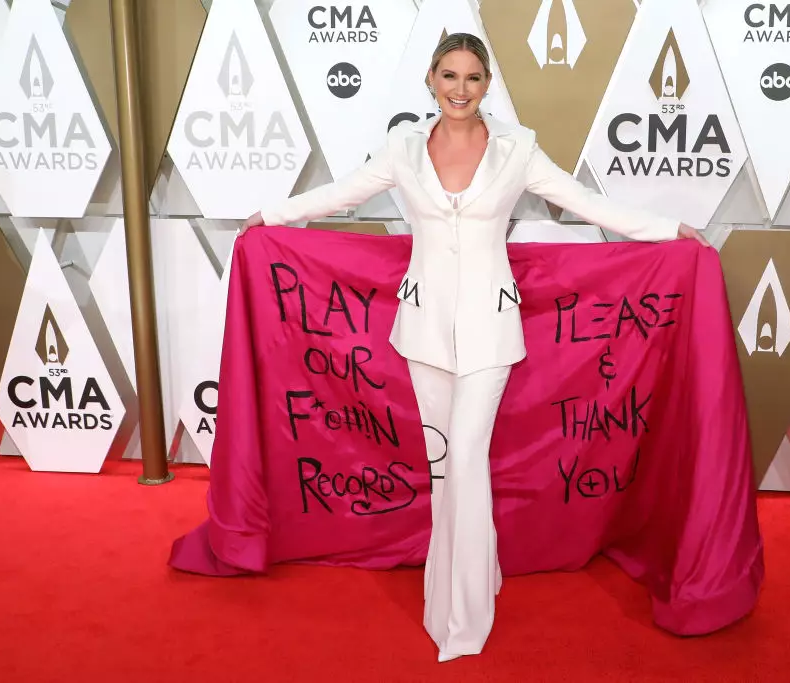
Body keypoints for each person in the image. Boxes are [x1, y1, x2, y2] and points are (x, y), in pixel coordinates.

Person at [242, 32, 707, 663]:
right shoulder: (402, 149)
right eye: (449, 76)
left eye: (473, 78)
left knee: (464, 456)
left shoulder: (518, 150)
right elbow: (340, 193)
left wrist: (667, 230)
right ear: (431, 81)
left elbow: (585, 202)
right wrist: (270, 216)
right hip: (423, 332)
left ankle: (466, 616)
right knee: (443, 469)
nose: (460, 89)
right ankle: (460, 586)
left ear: (488, 85)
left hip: (491, 333)